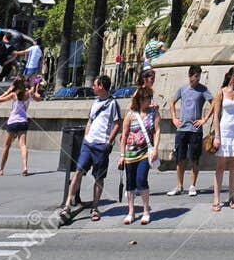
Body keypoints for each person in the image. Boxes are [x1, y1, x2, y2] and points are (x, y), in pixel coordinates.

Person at [59, 75, 121, 224]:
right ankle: (67, 205)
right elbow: (90, 121)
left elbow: (117, 123)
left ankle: (95, 207)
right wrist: (86, 137)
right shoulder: (95, 102)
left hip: (101, 145)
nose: (93, 87)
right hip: (89, 143)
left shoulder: (113, 103)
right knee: (78, 171)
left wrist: (109, 142)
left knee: (99, 177)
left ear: (101, 86)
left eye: (95, 85)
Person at [168, 64, 212, 196]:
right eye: (195, 77)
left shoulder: (203, 90)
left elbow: (214, 103)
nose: (197, 79)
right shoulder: (182, 89)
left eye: (199, 77)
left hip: (195, 129)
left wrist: (204, 119)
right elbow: (172, 102)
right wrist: (174, 118)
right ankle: (179, 186)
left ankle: (192, 186)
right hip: (182, 128)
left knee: (194, 158)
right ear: (190, 76)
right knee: (179, 158)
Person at [119, 85, 160, 225]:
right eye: (146, 98)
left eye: (149, 98)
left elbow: (157, 131)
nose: (148, 101)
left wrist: (155, 149)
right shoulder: (131, 115)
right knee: (130, 183)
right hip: (130, 153)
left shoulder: (153, 113)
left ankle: (146, 210)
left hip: (144, 152)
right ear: (140, 99)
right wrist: (122, 155)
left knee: (141, 179)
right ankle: (131, 211)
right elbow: (124, 135)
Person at [210, 66, 234, 211]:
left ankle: (231, 197)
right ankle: (216, 199)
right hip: (224, 131)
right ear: (232, 76)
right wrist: (217, 136)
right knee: (220, 166)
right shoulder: (221, 92)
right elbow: (216, 115)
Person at [0, 78, 31, 176]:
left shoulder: (14, 95)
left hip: (13, 122)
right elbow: (38, 97)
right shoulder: (28, 94)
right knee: (23, 145)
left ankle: (0, 169)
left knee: (7, 146)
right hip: (23, 121)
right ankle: (25, 167)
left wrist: (8, 91)